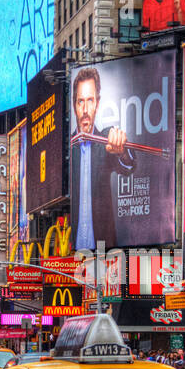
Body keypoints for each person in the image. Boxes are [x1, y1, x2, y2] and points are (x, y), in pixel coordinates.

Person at [70, 66, 135, 251]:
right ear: (74, 105)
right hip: (70, 257)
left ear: (97, 104)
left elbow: (129, 166)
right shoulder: (68, 149)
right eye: (80, 101)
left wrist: (122, 149)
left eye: (90, 101)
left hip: (105, 253)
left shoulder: (105, 139)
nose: (85, 109)